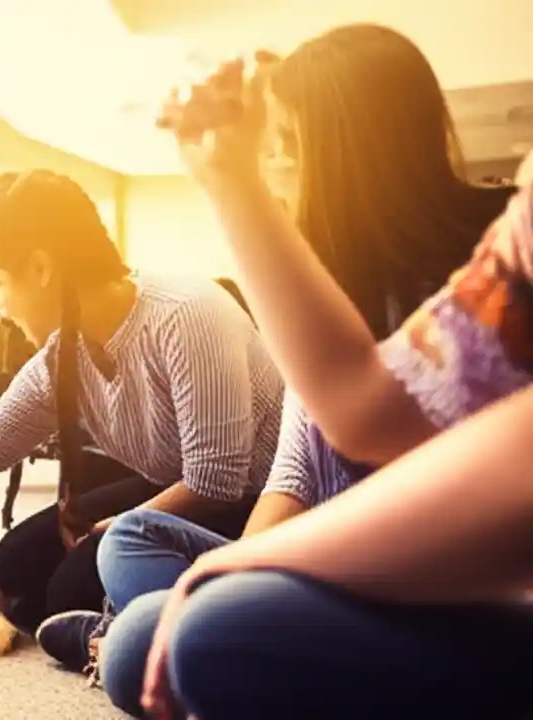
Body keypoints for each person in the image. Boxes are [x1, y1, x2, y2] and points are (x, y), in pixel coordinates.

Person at [33, 24, 518, 677]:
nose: (278, 178)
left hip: (439, 571)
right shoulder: (331, 281)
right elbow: (301, 464)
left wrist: (242, 582)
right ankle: (158, 633)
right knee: (131, 538)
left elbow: (427, 472)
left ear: (345, 150)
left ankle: (121, 639)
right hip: (331, 553)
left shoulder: (490, 268)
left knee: (164, 635)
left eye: (283, 150)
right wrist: (244, 573)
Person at [0, 169, 284, 633]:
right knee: (13, 565)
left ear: (40, 268)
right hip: (178, 484)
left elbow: (216, 479)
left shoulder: (185, 316)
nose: (0, 307)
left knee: (67, 589)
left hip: (260, 500)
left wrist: (119, 527)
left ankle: (144, 624)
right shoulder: (63, 355)